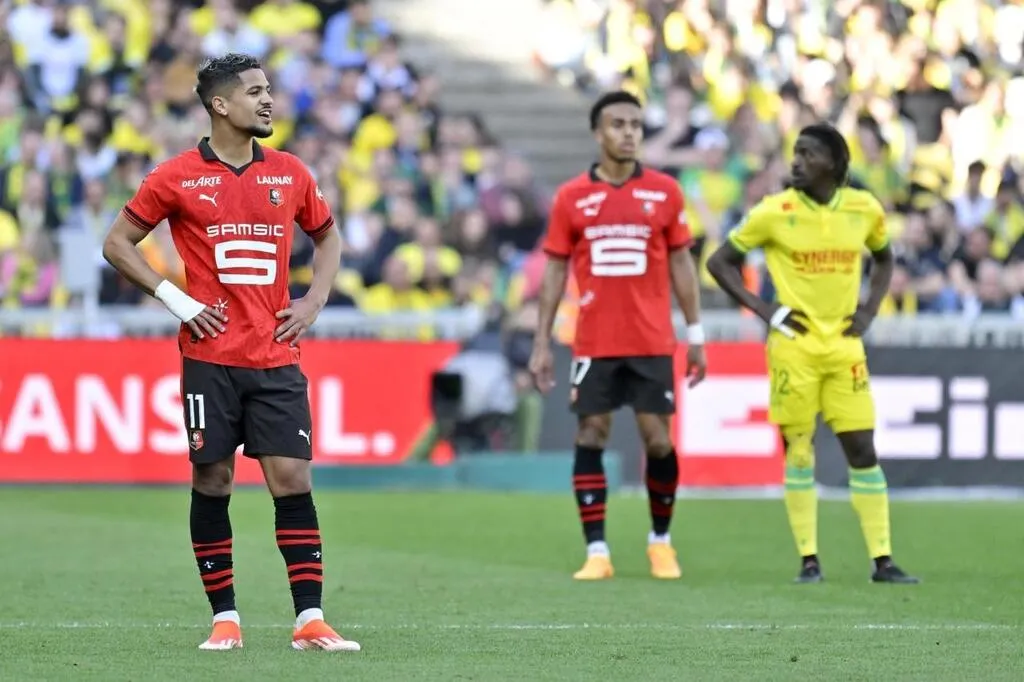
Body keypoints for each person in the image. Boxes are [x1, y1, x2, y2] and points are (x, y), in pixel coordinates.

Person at [102, 54, 361, 651]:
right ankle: (225, 619)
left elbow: (328, 237)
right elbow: (117, 243)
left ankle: (310, 619)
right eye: (254, 92)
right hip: (210, 358)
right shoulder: (176, 176)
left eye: (269, 90)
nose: (268, 100)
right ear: (220, 105)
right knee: (213, 480)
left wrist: (314, 300)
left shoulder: (290, 173)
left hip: (276, 355)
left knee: (292, 478)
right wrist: (177, 300)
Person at [706, 123, 920, 585]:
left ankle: (883, 561)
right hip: (794, 349)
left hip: (844, 346)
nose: (797, 162)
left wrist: (869, 310)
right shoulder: (773, 211)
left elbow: (885, 258)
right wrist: (766, 310)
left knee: (862, 448)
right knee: (799, 452)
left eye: (808, 154)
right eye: (796, 153)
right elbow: (719, 262)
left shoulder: (863, 208)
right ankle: (809, 560)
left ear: (835, 165)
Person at [529, 91, 707, 581]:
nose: (629, 133)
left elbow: (682, 265)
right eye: (618, 124)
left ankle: (661, 543)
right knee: (591, 433)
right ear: (597, 133)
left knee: (658, 441)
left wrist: (695, 334)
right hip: (594, 341)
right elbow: (555, 271)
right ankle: (598, 552)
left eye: (635, 125)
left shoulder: (665, 192)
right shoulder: (571, 197)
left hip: (652, 340)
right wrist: (542, 342)